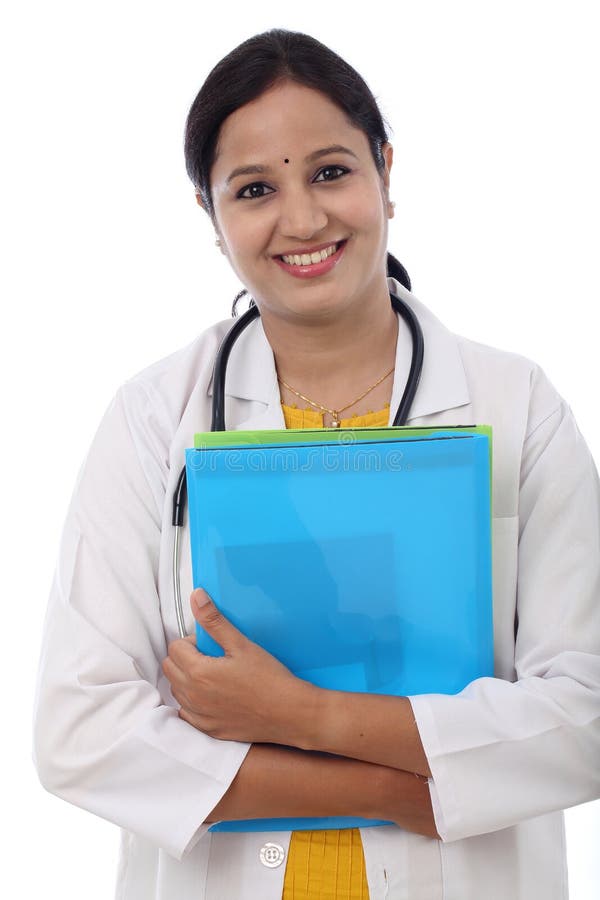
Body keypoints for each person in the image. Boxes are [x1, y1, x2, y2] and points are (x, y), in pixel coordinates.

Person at [33, 28, 600, 900]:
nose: (302, 220)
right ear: (211, 216)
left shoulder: (515, 405)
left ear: (386, 173)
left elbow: (588, 712)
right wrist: (392, 790)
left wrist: (300, 717)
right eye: (255, 189)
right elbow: (81, 731)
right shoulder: (153, 420)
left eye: (332, 171)